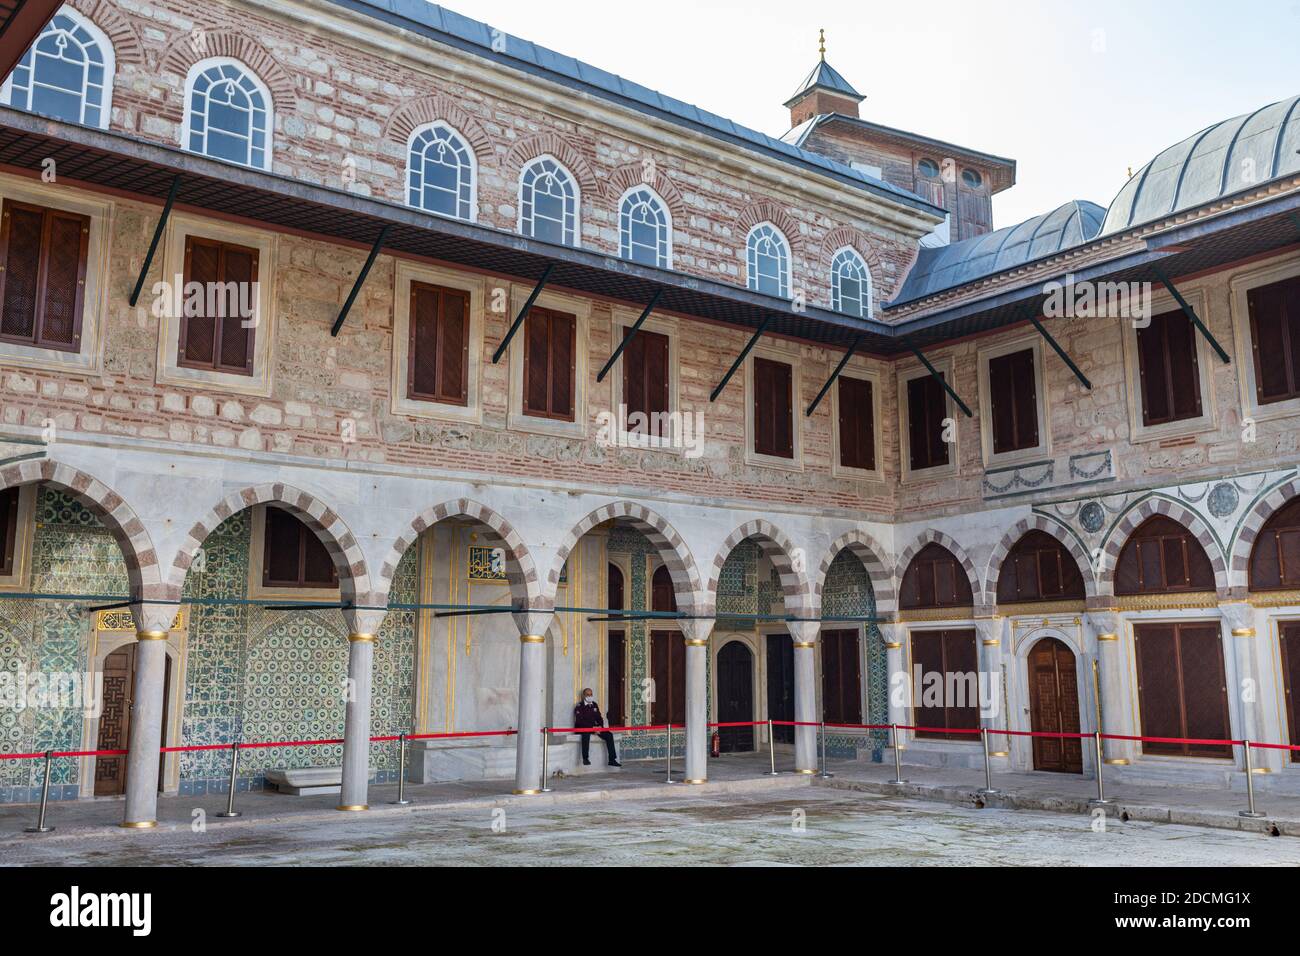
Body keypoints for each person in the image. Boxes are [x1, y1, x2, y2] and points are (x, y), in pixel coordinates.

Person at [574, 688, 621, 767]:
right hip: (583, 728)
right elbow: (580, 721)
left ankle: (612, 759)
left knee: (609, 735)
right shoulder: (579, 706)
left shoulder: (594, 705)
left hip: (595, 728)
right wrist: (593, 728)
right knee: (586, 735)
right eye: (588, 695)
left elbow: (599, 718)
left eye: (591, 694)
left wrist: (599, 727)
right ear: (584, 696)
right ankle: (585, 758)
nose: (590, 696)